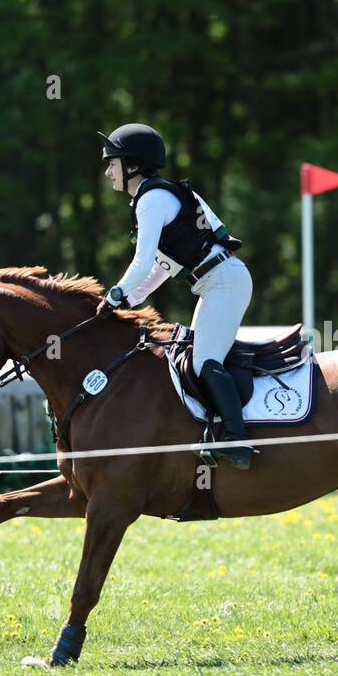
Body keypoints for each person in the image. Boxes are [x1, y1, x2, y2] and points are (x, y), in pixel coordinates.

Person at [94, 123, 258, 470]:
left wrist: (114, 295)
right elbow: (161, 267)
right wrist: (130, 299)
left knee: (204, 362)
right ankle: (218, 430)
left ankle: (238, 441)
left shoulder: (151, 199)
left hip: (222, 280)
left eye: (113, 163)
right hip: (216, 280)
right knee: (196, 358)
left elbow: (141, 262)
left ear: (133, 165)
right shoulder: (157, 196)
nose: (108, 171)